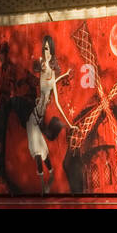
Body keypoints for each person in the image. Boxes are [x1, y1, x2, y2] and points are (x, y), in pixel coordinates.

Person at [27, 34, 73, 193]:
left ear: (52, 50)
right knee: (39, 152)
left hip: (38, 118)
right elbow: (35, 69)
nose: (46, 51)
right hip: (34, 117)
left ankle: (50, 177)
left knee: (42, 151)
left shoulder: (52, 74)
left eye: (48, 48)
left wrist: (69, 122)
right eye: (44, 48)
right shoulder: (41, 65)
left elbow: (58, 102)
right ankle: (43, 186)